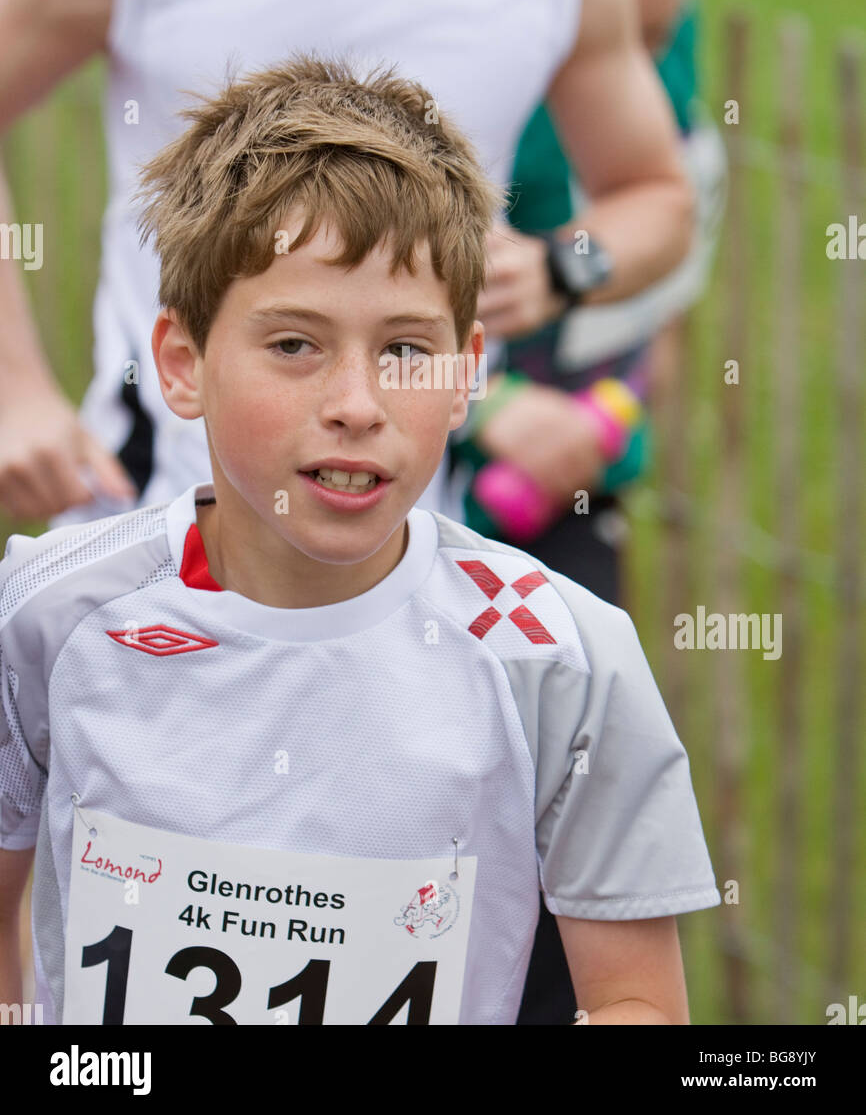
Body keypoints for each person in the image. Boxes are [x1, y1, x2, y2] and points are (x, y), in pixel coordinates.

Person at [0, 54, 721, 1025]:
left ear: (468, 370)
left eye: (405, 351)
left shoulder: (563, 656)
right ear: (180, 363)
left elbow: (637, 1003)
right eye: (294, 344)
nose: (355, 405)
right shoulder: (45, 616)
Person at [0, 0, 694, 538]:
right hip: (159, 519)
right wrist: (15, 390)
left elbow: (657, 194)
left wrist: (563, 267)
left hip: (412, 546)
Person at [451, 0, 727, 1023]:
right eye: (629, 36)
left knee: (564, 765)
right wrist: (492, 408)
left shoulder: (659, 41)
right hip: (444, 470)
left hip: (580, 470)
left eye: (662, 36)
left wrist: (597, 395)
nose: (649, 61)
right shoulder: (474, 65)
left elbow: (663, 256)